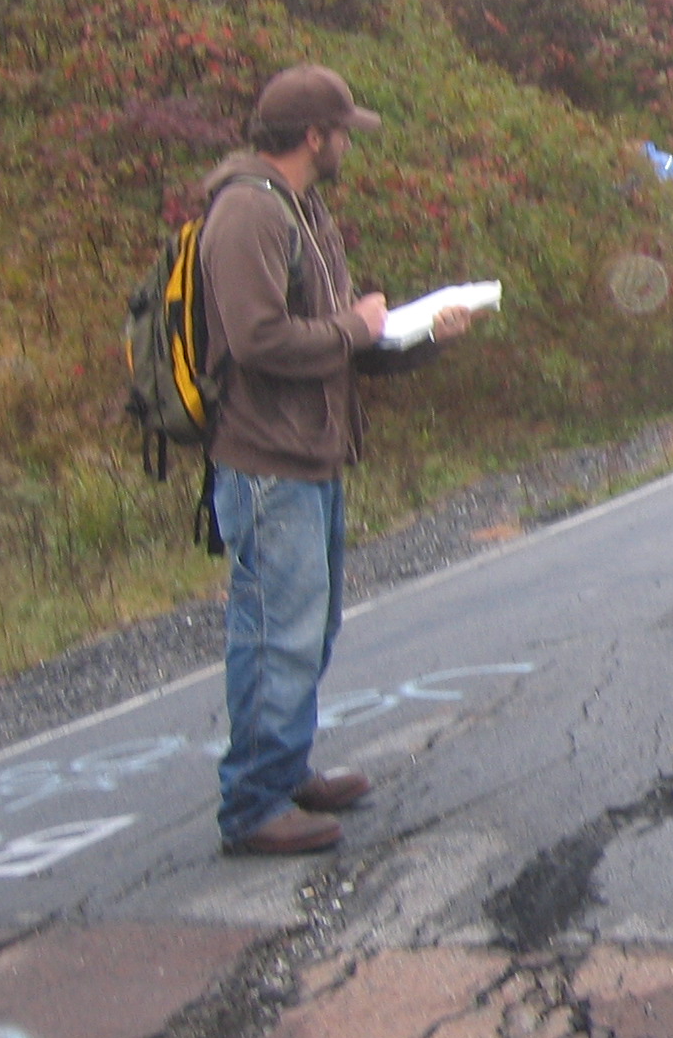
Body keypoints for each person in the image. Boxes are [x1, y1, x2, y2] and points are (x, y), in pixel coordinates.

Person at [202, 65, 486, 855]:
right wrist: (361, 327)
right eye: (341, 132)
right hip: (268, 459)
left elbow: (339, 344)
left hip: (314, 452)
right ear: (313, 136)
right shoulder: (247, 216)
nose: (346, 146)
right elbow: (260, 341)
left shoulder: (304, 209)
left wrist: (418, 335)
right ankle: (253, 805)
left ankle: (284, 768)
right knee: (276, 633)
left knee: (311, 627)